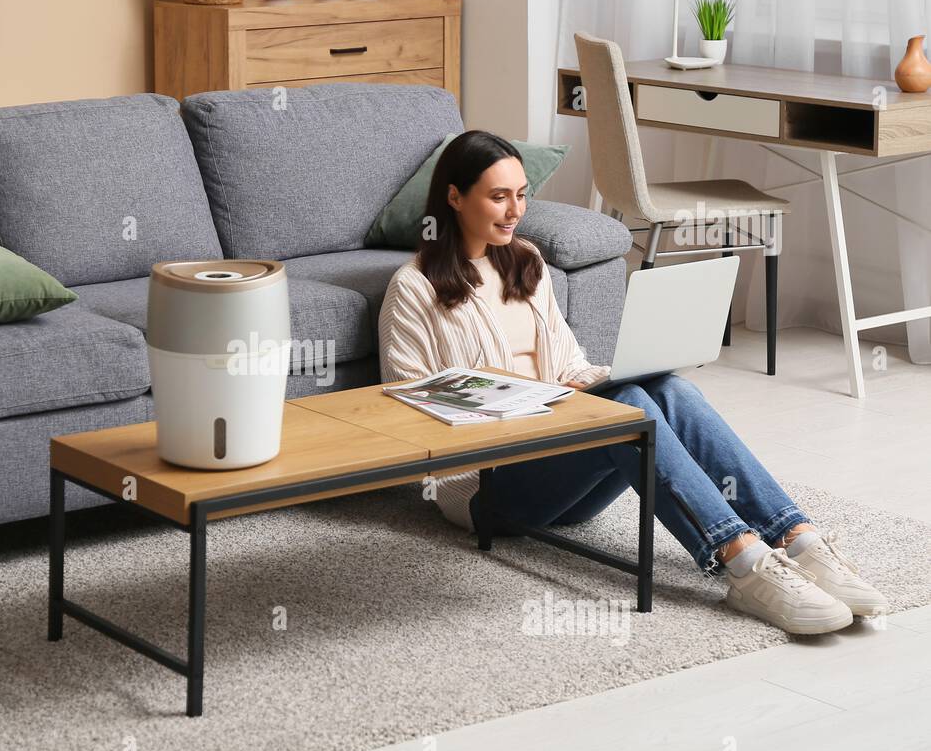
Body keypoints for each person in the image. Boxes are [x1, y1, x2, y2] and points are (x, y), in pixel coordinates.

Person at [377, 130, 889, 634]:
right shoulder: (414, 288)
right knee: (629, 408)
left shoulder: (526, 262)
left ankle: (797, 537)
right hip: (488, 489)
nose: (515, 211)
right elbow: (405, 411)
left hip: (566, 468)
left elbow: (569, 364)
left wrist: (618, 376)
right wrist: (513, 411)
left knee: (666, 391)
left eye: (522, 195)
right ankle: (744, 562)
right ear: (454, 197)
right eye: (498, 197)